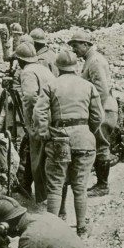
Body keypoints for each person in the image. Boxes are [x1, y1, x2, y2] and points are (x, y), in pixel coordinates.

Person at [33, 51, 104, 236]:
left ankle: (52, 231)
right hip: (84, 139)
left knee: (55, 186)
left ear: (57, 67)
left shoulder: (51, 85)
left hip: (59, 139)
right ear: (75, 66)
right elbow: (98, 116)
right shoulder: (88, 86)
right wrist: (87, 131)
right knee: (80, 187)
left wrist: (44, 134)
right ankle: (81, 228)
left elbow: (38, 113)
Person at [69, 31, 121, 197]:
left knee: (101, 146)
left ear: (86, 45)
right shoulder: (90, 60)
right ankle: (100, 183)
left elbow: (102, 91)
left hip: (104, 109)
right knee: (99, 145)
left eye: (75, 46)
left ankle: (102, 186)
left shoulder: (95, 62)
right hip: (103, 108)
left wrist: (92, 112)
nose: (74, 50)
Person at [15, 42, 57, 203]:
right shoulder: (42, 69)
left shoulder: (27, 72)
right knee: (48, 156)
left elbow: (31, 96)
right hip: (52, 117)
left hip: (41, 119)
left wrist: (33, 118)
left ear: (20, 60)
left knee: (37, 158)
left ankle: (42, 198)